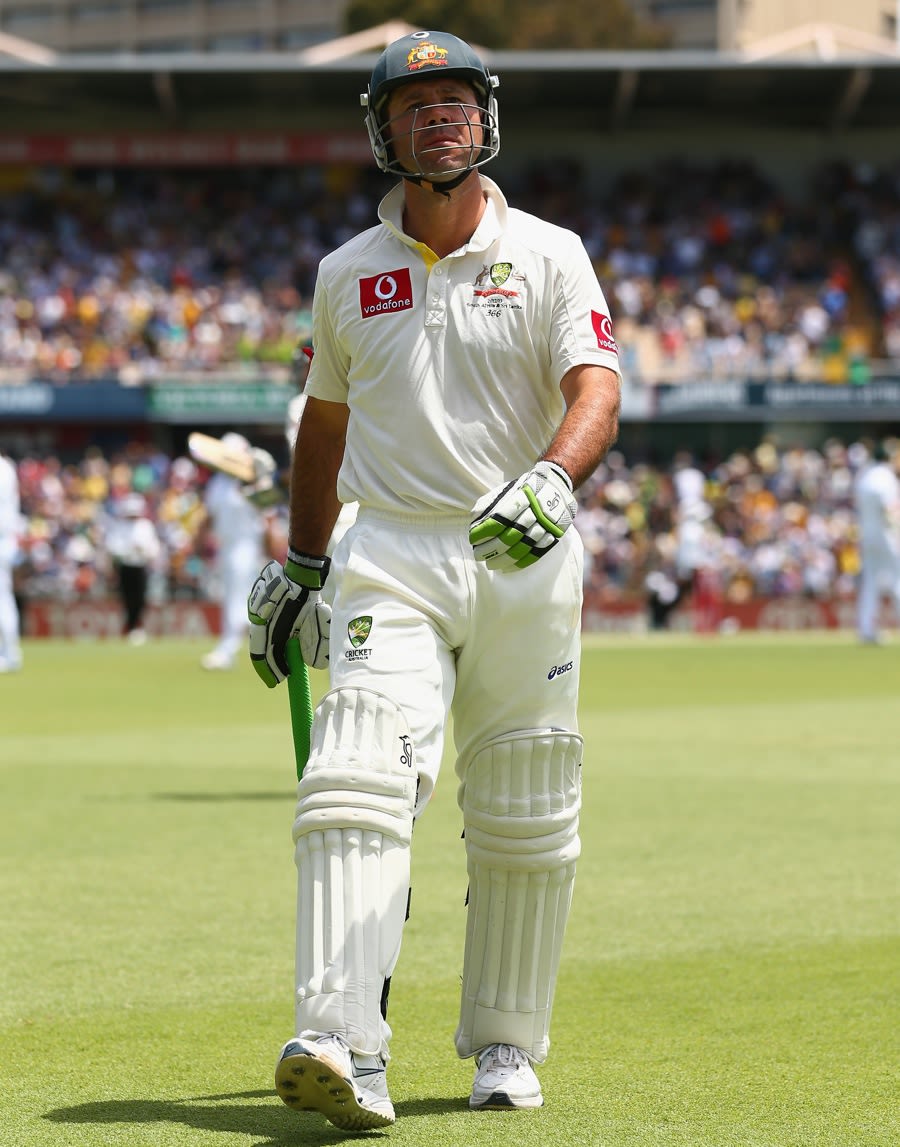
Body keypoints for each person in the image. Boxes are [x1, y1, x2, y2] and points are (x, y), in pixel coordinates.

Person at [247, 29, 621, 1131]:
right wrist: (303, 564)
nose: (440, 117)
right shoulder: (345, 274)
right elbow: (324, 431)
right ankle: (339, 1039)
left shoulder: (552, 252)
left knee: (523, 808)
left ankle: (506, 1043)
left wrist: (556, 477)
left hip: (522, 548)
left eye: (457, 101)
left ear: (487, 120)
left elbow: (595, 385)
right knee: (357, 771)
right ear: (383, 133)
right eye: (416, 106)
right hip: (393, 549)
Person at [200, 434, 274, 670]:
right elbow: (209, 517)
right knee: (238, 599)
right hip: (226, 547)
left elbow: (268, 517)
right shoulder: (218, 483)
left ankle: (227, 650)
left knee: (239, 599)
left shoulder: (254, 481)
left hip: (248, 547)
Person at [853, 439, 900, 644]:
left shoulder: (866, 476)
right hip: (886, 535)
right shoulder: (886, 476)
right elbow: (890, 510)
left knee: (871, 582)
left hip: (867, 534)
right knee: (898, 579)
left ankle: (867, 629)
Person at [104, 492, 161, 645]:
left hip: (140, 566)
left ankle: (136, 626)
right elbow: (113, 547)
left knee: (140, 598)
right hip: (125, 567)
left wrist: (142, 550)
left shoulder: (146, 526)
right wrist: (128, 550)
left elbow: (153, 548)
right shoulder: (119, 526)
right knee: (126, 598)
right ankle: (130, 627)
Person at [0, 448, 23, 672]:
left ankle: (10, 653)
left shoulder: (2, 469)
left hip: (1, 538)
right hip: (5, 539)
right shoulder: (6, 467)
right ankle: (9, 651)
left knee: (2, 598)